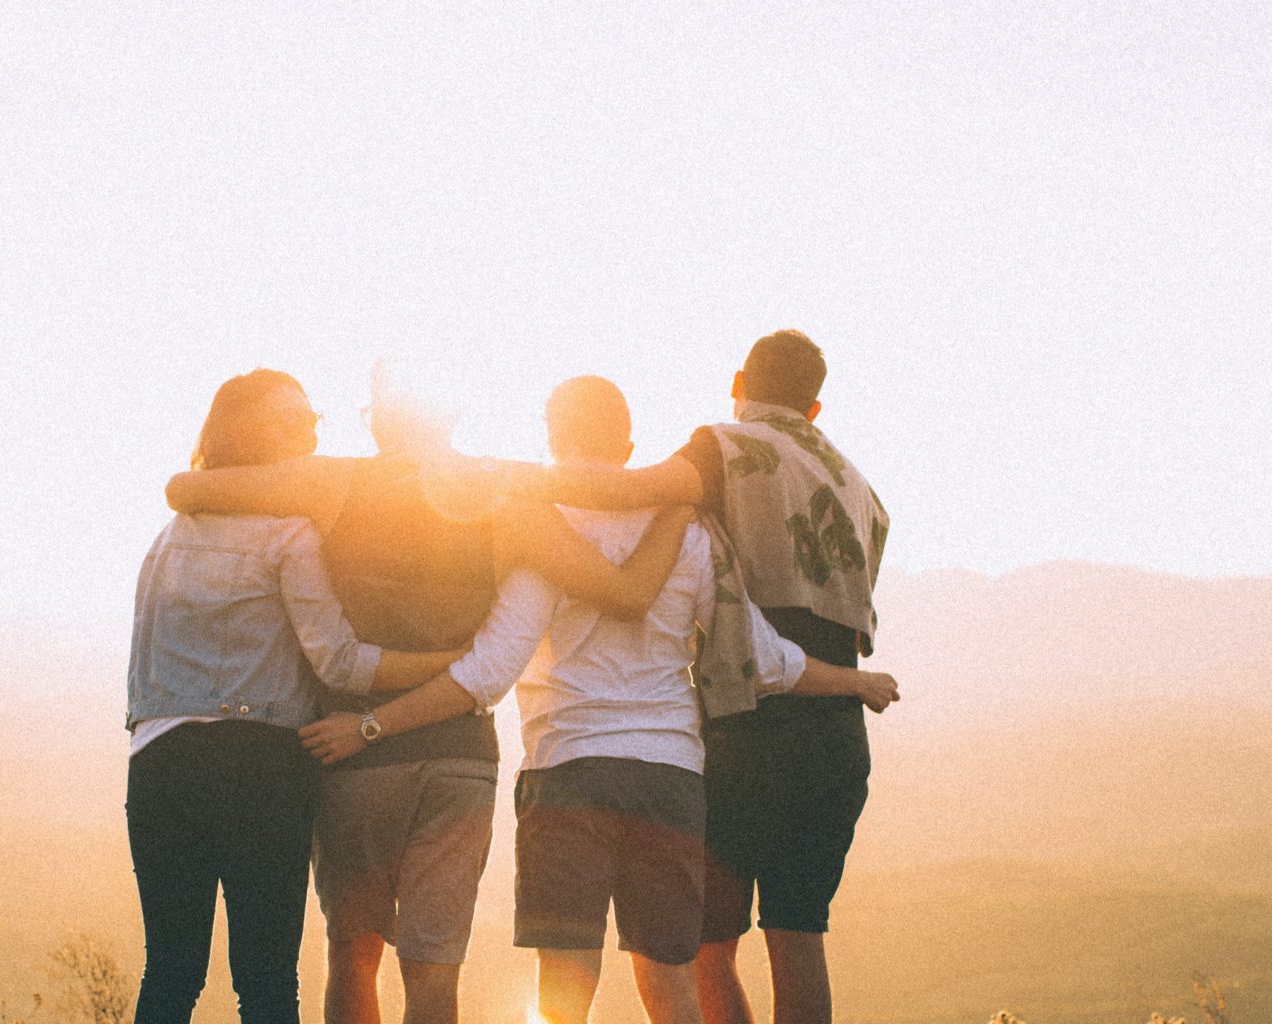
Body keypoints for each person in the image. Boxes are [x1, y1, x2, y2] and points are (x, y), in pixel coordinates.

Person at [300, 375, 898, 1024]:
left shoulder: (541, 533)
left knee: (565, 992)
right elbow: (762, 658)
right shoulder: (690, 532)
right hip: (669, 777)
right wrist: (855, 681)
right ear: (629, 446)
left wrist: (373, 724)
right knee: (670, 986)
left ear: (552, 440)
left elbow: (489, 672)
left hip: (567, 773)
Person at [163, 362, 689, 1024]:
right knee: (434, 972)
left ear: (380, 420)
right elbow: (625, 593)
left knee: (353, 957)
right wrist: (680, 503)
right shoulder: (506, 500)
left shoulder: (331, 482)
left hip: (352, 756)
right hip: (458, 760)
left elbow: (187, 489)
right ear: (451, 415)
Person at [514, 332, 890, 1024]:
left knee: (708, 953)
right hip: (835, 729)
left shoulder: (728, 448)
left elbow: (632, 490)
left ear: (739, 382)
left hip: (745, 726)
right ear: (814, 406)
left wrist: (501, 481)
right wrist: (854, 682)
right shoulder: (857, 485)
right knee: (800, 939)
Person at [125, 369, 472, 1024]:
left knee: (170, 970)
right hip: (260, 765)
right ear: (248, 432)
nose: (310, 434)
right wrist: (451, 663)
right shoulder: (289, 533)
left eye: (313, 420)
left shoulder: (167, 538)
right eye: (293, 422)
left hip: (158, 762)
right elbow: (338, 661)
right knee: (265, 982)